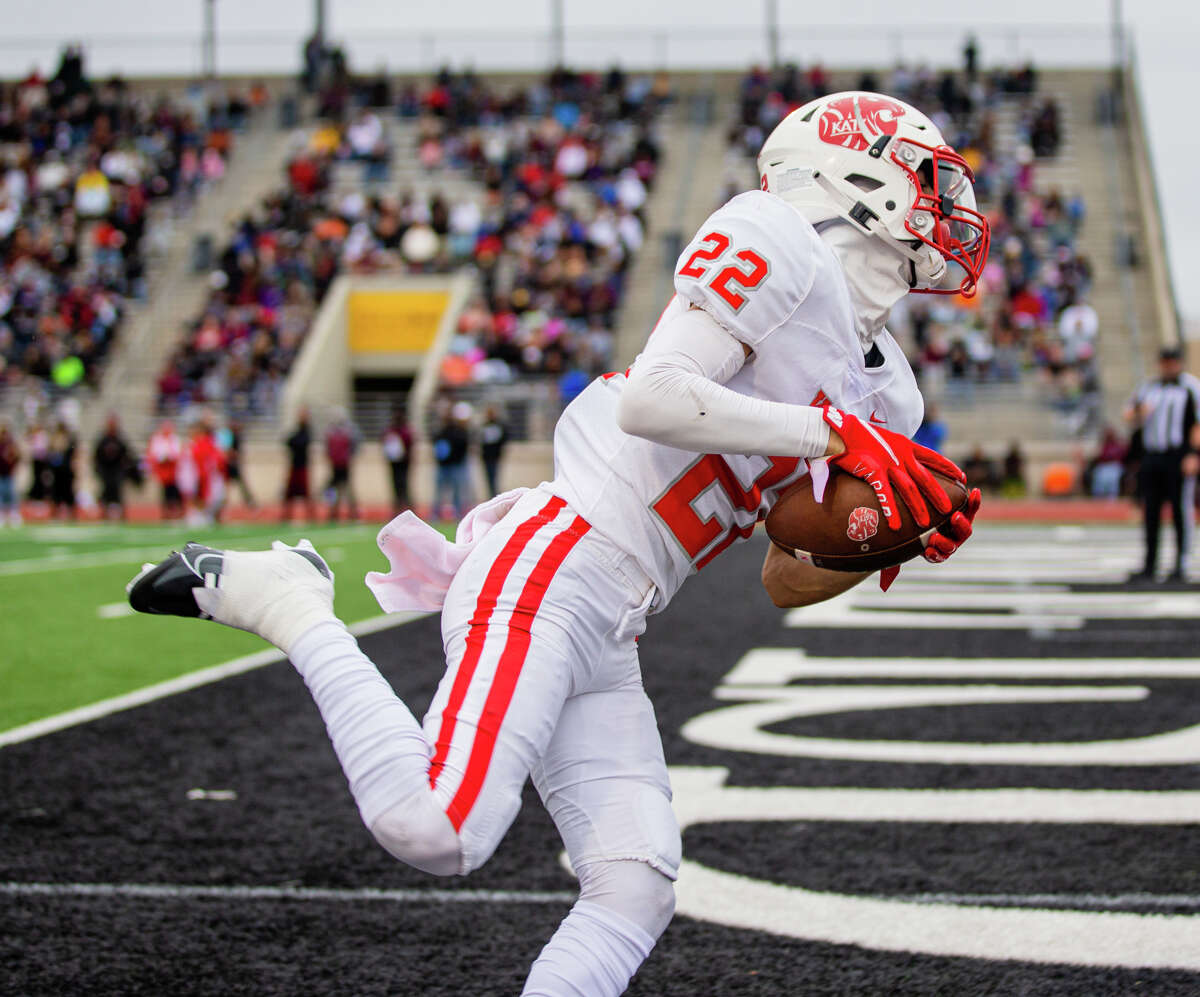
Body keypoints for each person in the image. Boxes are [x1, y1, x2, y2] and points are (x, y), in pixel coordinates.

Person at [128, 92, 983, 997]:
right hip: (558, 556)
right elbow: (654, 395)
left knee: (636, 882)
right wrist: (831, 438)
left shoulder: (894, 397)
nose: (947, 209)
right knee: (437, 827)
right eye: (929, 181)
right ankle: (287, 599)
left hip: (615, 612)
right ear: (853, 172)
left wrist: (883, 538)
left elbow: (780, 575)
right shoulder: (778, 237)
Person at [1124, 345, 1200, 583]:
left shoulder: (1191, 388)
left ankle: (1181, 563)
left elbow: (1197, 424)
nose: (1168, 366)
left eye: (1172, 361)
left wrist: (1193, 453)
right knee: (1151, 512)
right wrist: (1139, 412)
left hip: (1177, 456)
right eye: (1165, 361)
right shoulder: (1148, 387)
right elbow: (1128, 416)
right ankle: (1150, 564)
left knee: (1180, 511)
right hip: (1152, 456)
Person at [432, 400, 472, 521]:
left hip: (454, 465)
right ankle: (436, 514)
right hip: (445, 466)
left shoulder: (458, 432)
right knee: (440, 492)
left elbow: (462, 446)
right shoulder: (441, 431)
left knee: (456, 493)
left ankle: (457, 514)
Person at [93, 414, 134, 521]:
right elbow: (97, 456)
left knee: (118, 494)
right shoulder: (102, 440)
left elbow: (126, 455)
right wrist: (98, 470)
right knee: (105, 493)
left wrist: (125, 469)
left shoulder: (120, 439)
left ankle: (121, 515)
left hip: (116, 471)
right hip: (106, 471)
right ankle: (104, 514)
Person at [324, 409, 360, 522]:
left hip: (344, 464)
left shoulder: (348, 431)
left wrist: (350, 457)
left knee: (347, 489)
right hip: (336, 465)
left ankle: (351, 512)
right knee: (335, 490)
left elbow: (355, 446)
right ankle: (334, 512)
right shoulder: (332, 432)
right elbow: (328, 448)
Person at [282, 408, 316, 523]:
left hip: (302, 466)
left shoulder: (307, 431)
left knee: (306, 494)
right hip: (295, 466)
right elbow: (289, 441)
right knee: (289, 494)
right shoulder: (298, 430)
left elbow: (299, 442)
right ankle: (286, 515)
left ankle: (311, 516)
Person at [146, 420, 184, 520]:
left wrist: (169, 457)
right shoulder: (157, 439)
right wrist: (163, 458)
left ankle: (175, 511)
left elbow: (177, 453)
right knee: (165, 493)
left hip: (173, 471)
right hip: (163, 471)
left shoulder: (174, 439)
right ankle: (167, 512)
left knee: (174, 492)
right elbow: (154, 454)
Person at [381, 408, 414, 515]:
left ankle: (408, 510)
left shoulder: (404, 431)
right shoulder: (391, 431)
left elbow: (409, 445)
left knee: (404, 486)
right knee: (396, 487)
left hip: (404, 463)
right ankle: (397, 510)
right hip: (394, 463)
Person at [479, 404, 510, 498]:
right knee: (489, 479)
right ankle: (492, 495)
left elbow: (504, 439)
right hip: (486, 456)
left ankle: (494, 495)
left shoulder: (499, 425)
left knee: (494, 478)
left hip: (495, 456)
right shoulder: (484, 425)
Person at [0, 420, 20, 525]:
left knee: (11, 495)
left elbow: (17, 457)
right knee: (1, 496)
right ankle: (2, 515)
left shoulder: (11, 445)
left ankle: (14, 515)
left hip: (9, 474)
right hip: (1, 474)